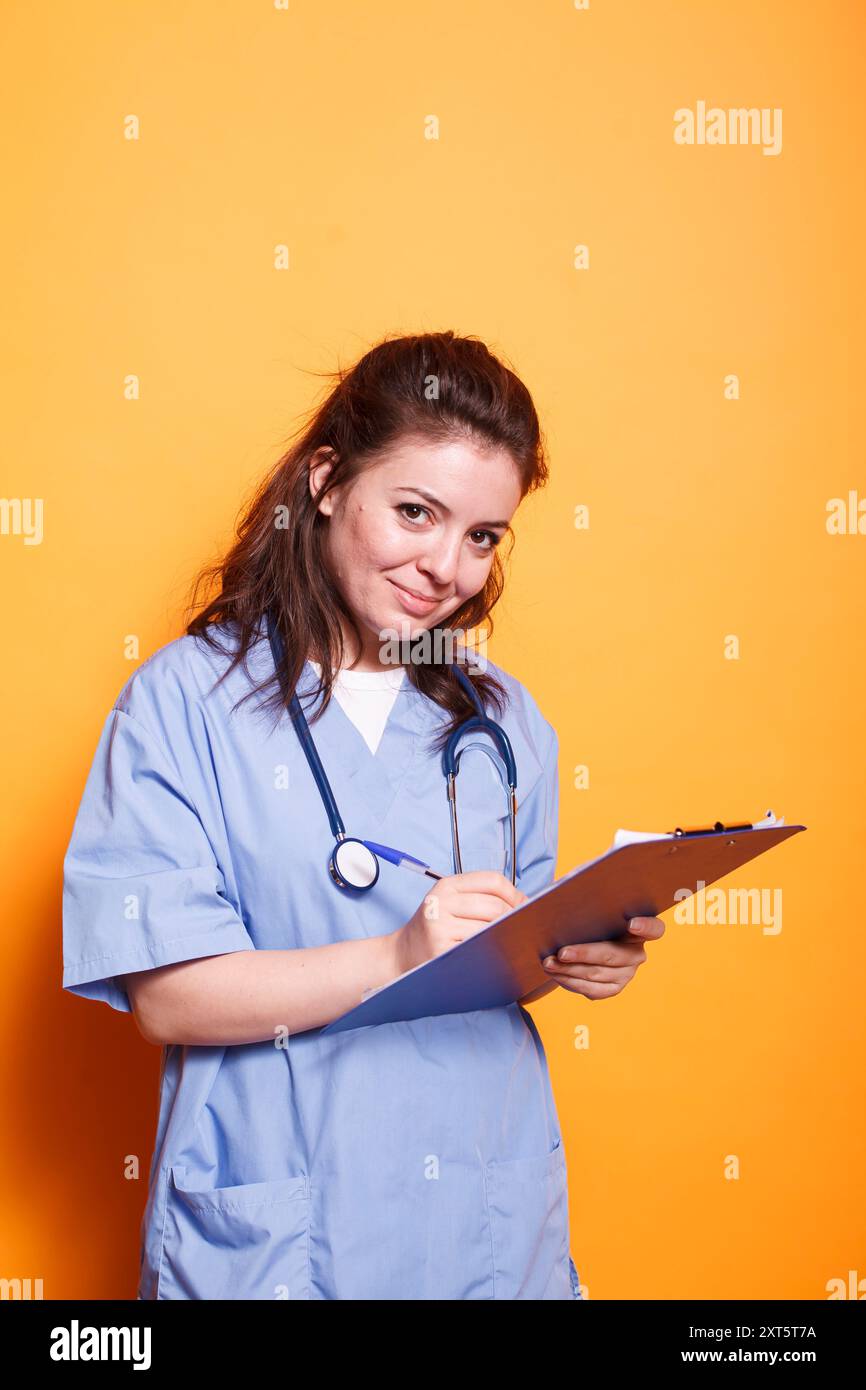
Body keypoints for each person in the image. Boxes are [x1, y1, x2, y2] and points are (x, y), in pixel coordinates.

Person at [62, 330, 664, 1300]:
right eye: (415, 512)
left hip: (483, 1218)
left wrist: (578, 951)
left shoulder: (503, 722)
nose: (445, 568)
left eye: (481, 537)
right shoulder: (181, 703)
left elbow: (503, 948)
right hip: (280, 1226)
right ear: (328, 480)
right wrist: (394, 955)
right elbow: (167, 998)